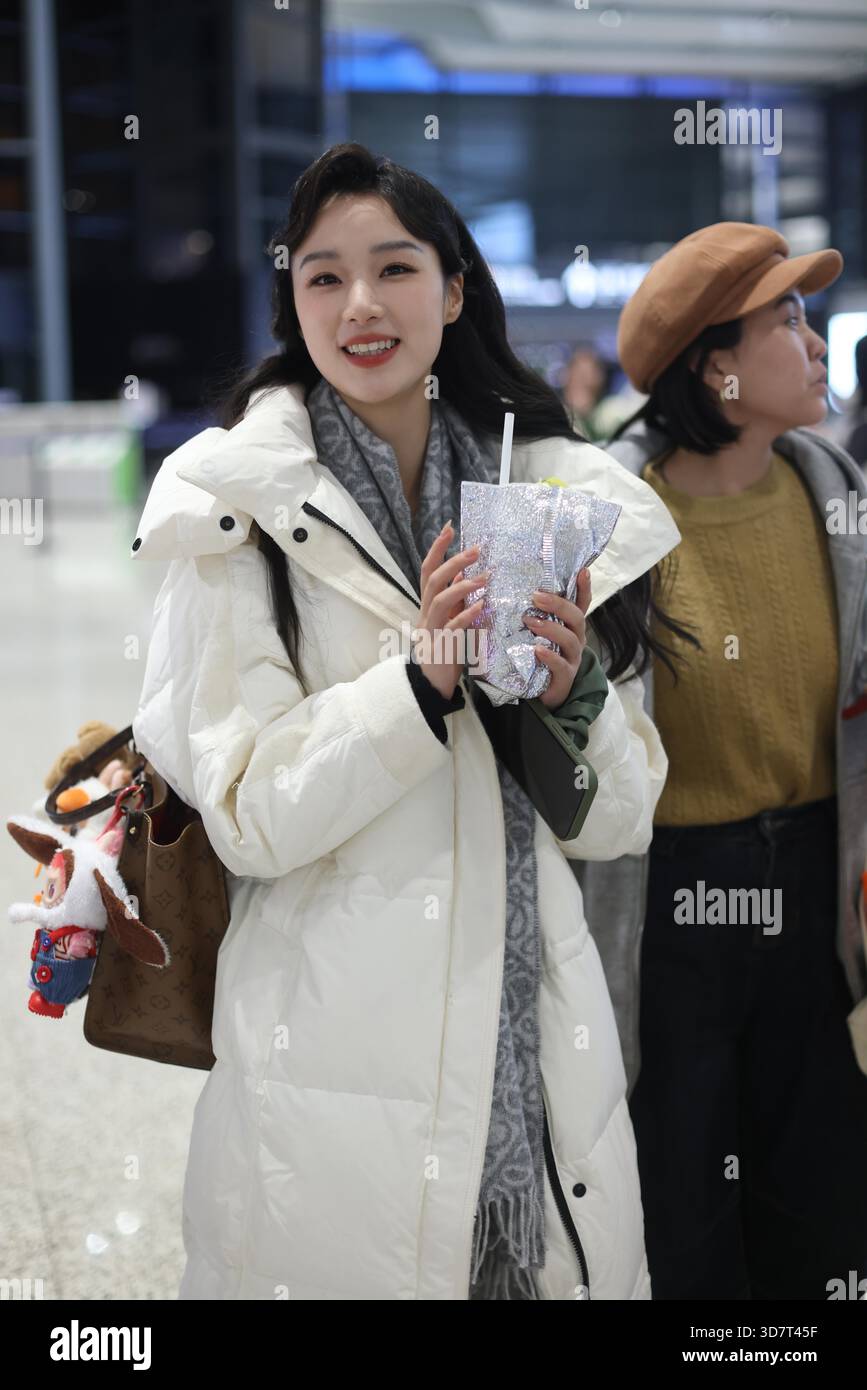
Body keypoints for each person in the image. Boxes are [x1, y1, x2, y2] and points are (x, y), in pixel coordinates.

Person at [129, 142, 681, 1300]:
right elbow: (250, 815)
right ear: (291, 297)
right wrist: (420, 679)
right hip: (327, 1058)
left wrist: (570, 690)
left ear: (456, 289)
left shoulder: (550, 495)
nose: (361, 304)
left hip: (537, 1064)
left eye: (395, 267)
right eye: (323, 275)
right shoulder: (236, 510)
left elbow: (619, 820)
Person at [581, 220, 867, 1299]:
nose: (812, 340)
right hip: (671, 898)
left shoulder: (831, 486)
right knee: (684, 1180)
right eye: (786, 321)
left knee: (824, 1183)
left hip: (818, 880)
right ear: (716, 365)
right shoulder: (608, 515)